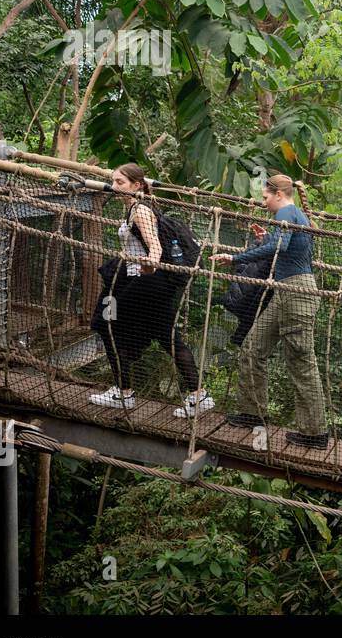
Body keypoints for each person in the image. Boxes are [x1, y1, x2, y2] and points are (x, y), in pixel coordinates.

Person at [212, 174, 328, 450]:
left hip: (297, 294)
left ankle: (314, 433)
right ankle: (253, 413)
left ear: (278, 194)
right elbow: (285, 247)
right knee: (253, 347)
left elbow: (279, 247)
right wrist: (267, 239)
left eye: (265, 197)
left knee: (301, 362)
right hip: (284, 292)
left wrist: (235, 258)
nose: (263, 203)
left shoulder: (287, 212)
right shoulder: (293, 214)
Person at [88, 164, 203, 414]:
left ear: (137, 185)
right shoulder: (132, 208)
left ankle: (125, 392)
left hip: (148, 284)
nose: (114, 187)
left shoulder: (139, 210)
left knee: (107, 323)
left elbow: (155, 248)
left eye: (121, 182)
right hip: (143, 284)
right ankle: (196, 395)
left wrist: (150, 263)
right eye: (113, 181)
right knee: (166, 337)